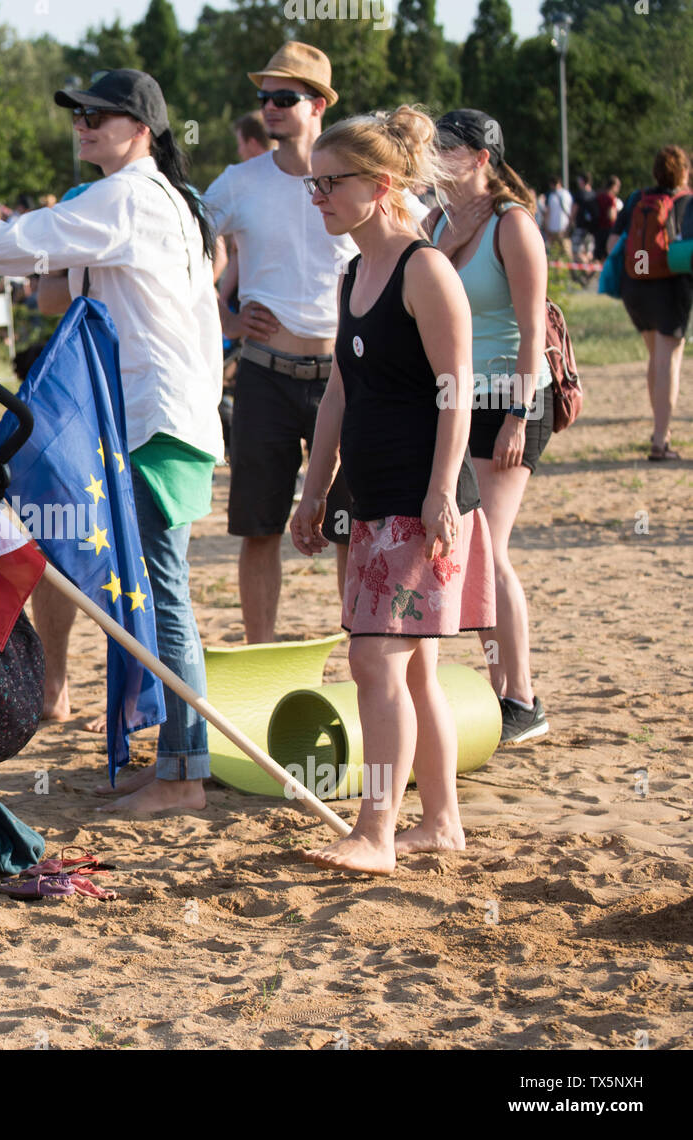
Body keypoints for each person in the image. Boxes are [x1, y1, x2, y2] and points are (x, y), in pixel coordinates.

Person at [0, 68, 223, 815]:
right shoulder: (156, 196)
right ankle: (174, 760)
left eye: (101, 114)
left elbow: (16, 245)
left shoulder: (129, 195)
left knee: (163, 599)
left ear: (143, 130)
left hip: (152, 422)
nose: (83, 123)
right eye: (78, 113)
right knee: (158, 595)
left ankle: (186, 773)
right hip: (164, 417)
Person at [291, 106, 495, 876]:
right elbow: (340, 391)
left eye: (330, 183)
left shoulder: (425, 268)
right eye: (313, 185)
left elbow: (457, 387)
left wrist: (443, 490)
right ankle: (440, 823)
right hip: (370, 495)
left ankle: (377, 830)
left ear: (380, 185)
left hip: (423, 499)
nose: (318, 198)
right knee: (408, 669)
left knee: (374, 662)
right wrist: (314, 491)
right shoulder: (353, 273)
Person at [202, 42, 357, 644]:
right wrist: (222, 316)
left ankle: (362, 655)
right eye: (263, 96)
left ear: (317, 105)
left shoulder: (352, 177)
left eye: (283, 97)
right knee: (258, 527)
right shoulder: (240, 181)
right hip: (263, 376)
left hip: (344, 378)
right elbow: (186, 252)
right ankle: (260, 654)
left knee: (349, 526)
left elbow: (414, 243)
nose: (268, 106)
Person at [426, 109, 552, 744]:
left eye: (444, 147)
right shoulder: (441, 220)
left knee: (486, 550)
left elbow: (534, 332)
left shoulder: (514, 225)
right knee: (472, 551)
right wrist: (443, 244)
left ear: (480, 158)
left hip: (512, 399)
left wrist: (517, 417)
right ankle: (506, 691)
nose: (433, 155)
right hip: (458, 401)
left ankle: (522, 699)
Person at [608, 145, 692, 461]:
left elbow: (613, 242)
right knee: (668, 360)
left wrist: (641, 260)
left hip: (636, 286)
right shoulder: (686, 201)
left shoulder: (635, 198)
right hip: (670, 287)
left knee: (655, 356)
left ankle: (660, 427)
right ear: (684, 171)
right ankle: (660, 439)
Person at [541, 175, 573, 257]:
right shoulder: (567, 194)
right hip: (565, 227)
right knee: (566, 252)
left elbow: (547, 212)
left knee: (555, 252)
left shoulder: (551, 196)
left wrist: (546, 226)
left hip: (553, 228)